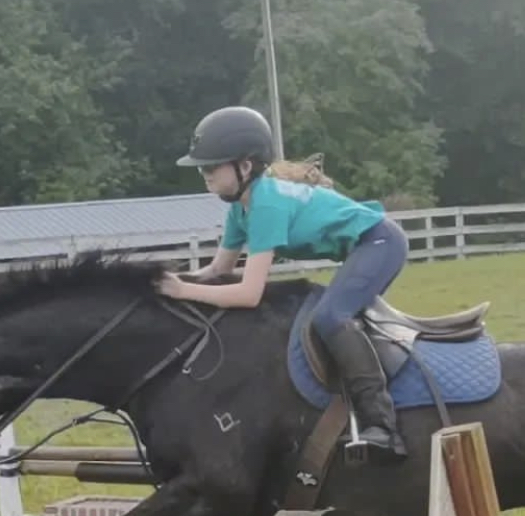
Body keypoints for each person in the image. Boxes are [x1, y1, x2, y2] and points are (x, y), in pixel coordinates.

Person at [159, 105, 409, 462]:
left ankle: (382, 427)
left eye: (211, 166)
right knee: (329, 317)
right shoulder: (240, 209)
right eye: (202, 167)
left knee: (330, 318)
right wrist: (167, 279)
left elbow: (248, 294)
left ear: (245, 166)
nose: (205, 175)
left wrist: (183, 290)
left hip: (380, 243)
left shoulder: (267, 205)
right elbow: (216, 270)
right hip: (368, 246)